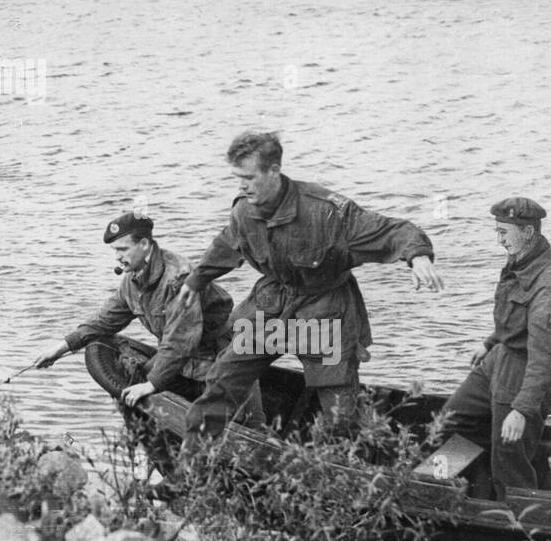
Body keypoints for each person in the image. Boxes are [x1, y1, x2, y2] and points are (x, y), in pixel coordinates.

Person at [179, 130, 445, 446]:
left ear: (274, 171)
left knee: (338, 414)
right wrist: (197, 281)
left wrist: (417, 257)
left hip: (323, 312)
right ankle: (190, 465)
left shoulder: (327, 212)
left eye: (249, 177)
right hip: (272, 306)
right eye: (237, 178)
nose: (242, 185)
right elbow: (227, 244)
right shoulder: (244, 211)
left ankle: (341, 470)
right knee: (225, 378)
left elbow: (394, 231)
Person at [32, 211, 263, 424]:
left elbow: (180, 340)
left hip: (223, 357)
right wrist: (61, 348)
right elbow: (104, 321)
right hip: (182, 362)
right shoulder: (133, 281)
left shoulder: (178, 278)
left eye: (122, 250)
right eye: (115, 251)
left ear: (144, 244)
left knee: (250, 426)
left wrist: (151, 385)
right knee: (134, 386)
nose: (117, 257)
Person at [440, 198, 551, 496]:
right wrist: (491, 342)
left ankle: (522, 528)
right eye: (497, 232)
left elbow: (548, 360)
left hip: (524, 373)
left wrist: (522, 411)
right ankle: (436, 488)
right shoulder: (523, 259)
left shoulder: (547, 286)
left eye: (503, 232)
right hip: (500, 358)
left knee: (509, 459)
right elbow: (516, 317)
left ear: (527, 232)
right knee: (449, 421)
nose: (498, 240)